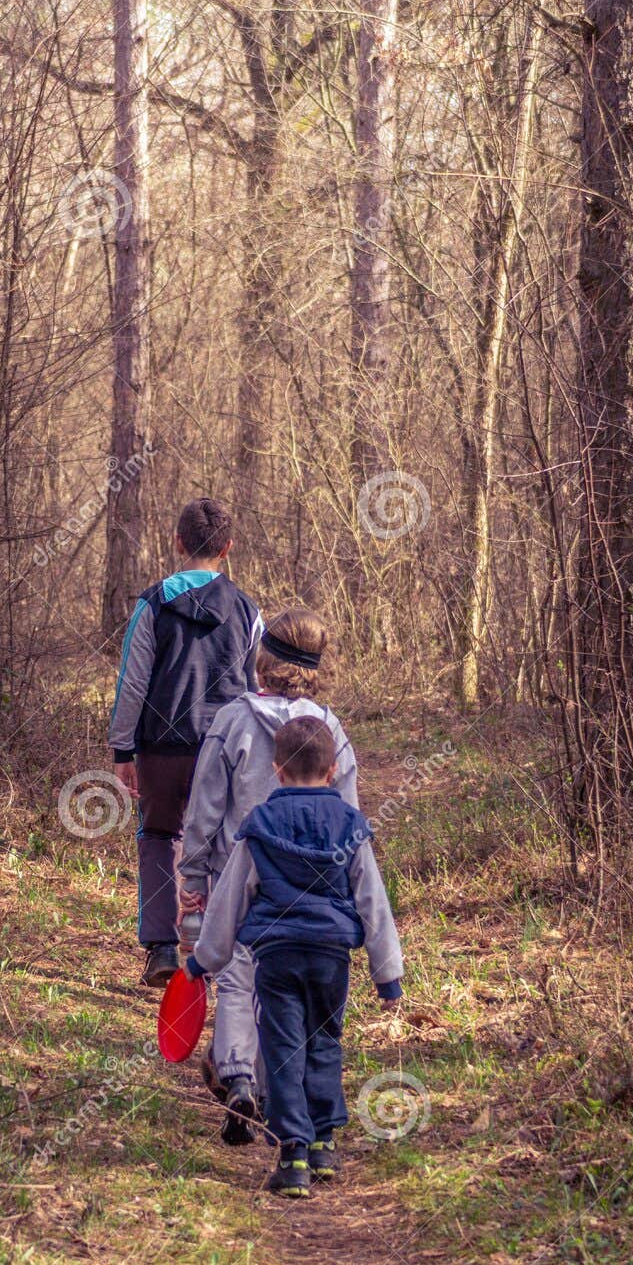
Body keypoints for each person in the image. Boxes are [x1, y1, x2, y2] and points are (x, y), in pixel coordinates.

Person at [186, 717, 403, 1198]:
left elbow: (231, 898)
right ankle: (323, 1142)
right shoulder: (350, 826)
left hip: (277, 958)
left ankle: (293, 1156)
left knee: (283, 1050)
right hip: (330, 957)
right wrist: (387, 973)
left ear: (277, 770)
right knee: (324, 1041)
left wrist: (205, 958)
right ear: (333, 772)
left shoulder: (259, 826)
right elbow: (372, 900)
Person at [178, 609, 357, 1145]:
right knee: (280, 987)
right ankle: (274, 1089)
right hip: (306, 885)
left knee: (238, 976)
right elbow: (347, 815)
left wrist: (192, 872)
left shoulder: (232, 721)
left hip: (237, 872)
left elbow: (205, 806)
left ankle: (237, 1076)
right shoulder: (329, 730)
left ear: (263, 660)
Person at [108, 499, 262, 987]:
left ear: (177, 542)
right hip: (224, 747)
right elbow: (255, 689)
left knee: (159, 838)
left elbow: (133, 683)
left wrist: (122, 749)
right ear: (228, 548)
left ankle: (161, 949)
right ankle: (212, 950)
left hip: (160, 747)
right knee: (220, 843)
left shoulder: (153, 604)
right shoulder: (247, 611)